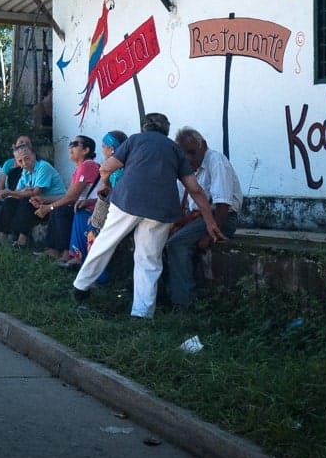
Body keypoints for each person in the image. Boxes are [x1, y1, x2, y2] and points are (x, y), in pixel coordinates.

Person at [71, 112, 225, 318]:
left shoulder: (135, 140)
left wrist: (106, 185)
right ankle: (142, 313)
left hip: (127, 199)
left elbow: (106, 168)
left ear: (144, 128)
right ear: (166, 130)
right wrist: (210, 221)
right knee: (149, 258)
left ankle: (81, 288)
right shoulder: (174, 149)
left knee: (106, 242)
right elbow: (195, 189)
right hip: (161, 209)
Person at [163, 127, 243, 308]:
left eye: (192, 152)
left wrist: (209, 235)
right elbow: (181, 203)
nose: (189, 158)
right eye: (184, 154)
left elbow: (223, 205)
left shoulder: (216, 161)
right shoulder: (185, 167)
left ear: (203, 146)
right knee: (160, 239)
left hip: (222, 218)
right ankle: (167, 295)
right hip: (197, 219)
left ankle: (184, 302)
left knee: (177, 244)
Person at [58, 130, 126, 268]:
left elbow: (117, 196)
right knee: (80, 212)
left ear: (111, 149)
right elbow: (106, 194)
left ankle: (94, 266)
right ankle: (77, 257)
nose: (103, 150)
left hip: (119, 212)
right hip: (108, 207)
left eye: (104, 146)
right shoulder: (110, 168)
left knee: (91, 220)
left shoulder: (120, 170)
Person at [34, 134, 98, 260]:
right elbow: (67, 196)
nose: (70, 147)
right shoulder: (80, 168)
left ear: (86, 150)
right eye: (70, 144)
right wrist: (44, 201)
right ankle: (53, 250)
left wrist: (49, 207)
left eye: (74, 144)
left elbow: (71, 198)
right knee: (56, 208)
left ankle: (66, 252)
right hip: (80, 205)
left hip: (91, 209)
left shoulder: (88, 165)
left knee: (59, 209)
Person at [0, 144, 66, 248]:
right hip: (38, 202)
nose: (24, 163)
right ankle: (2, 238)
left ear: (34, 155)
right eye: (20, 161)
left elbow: (35, 192)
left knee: (27, 200)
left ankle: (21, 242)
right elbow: (18, 192)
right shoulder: (25, 171)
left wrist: (10, 192)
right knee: (10, 202)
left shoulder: (43, 167)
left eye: (27, 158)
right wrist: (21, 191)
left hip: (54, 204)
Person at [0, 135, 33, 236]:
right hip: (10, 196)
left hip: (27, 196)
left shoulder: (35, 164)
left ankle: (21, 239)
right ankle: (2, 239)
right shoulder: (8, 164)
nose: (23, 145)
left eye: (27, 144)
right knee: (2, 205)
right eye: (21, 143)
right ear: (14, 147)